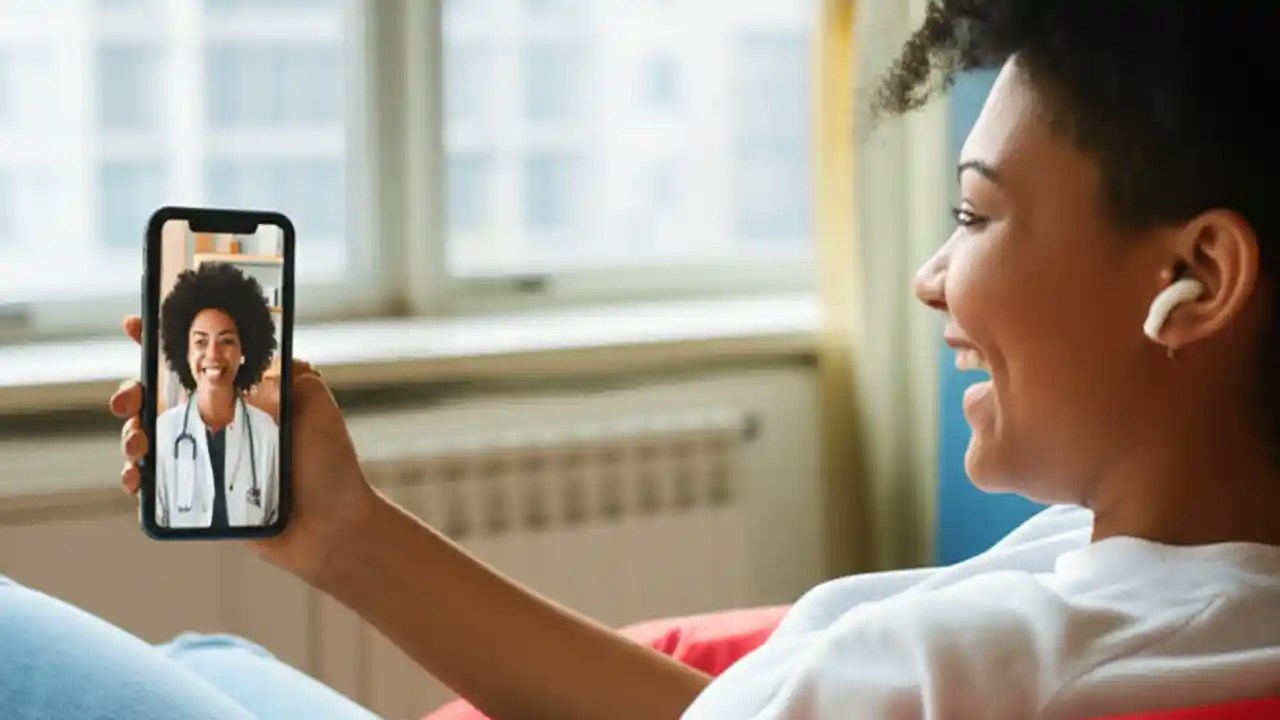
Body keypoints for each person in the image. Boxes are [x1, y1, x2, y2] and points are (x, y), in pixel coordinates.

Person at [2, 1, 1280, 718]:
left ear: (1194, 280)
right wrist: (343, 531)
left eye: (972, 213)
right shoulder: (1155, 585)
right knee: (209, 662)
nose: (931, 277)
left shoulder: (1028, 659)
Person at [155, 262, 279, 529]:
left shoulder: (266, 432)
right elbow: (158, 521)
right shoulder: (164, 431)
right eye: (200, 342)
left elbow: (274, 519)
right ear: (184, 352)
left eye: (226, 341)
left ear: (244, 351)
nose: (213, 354)